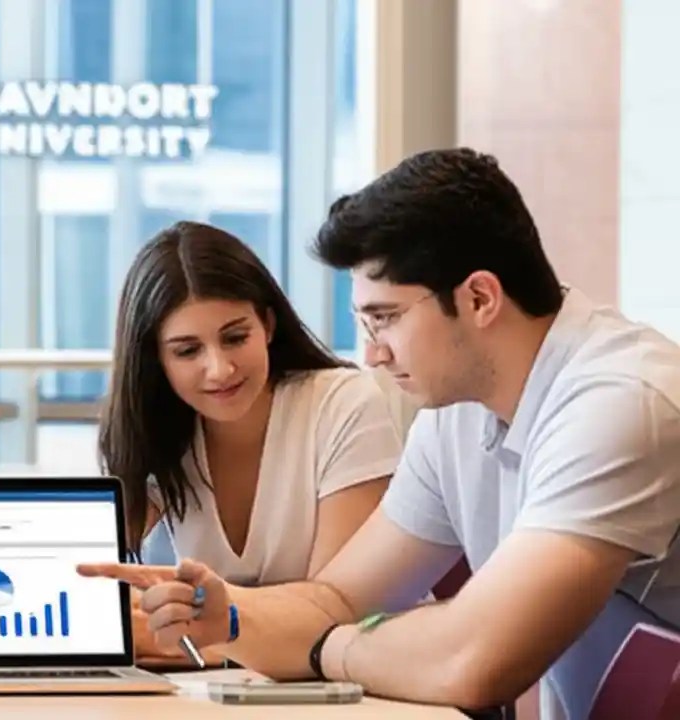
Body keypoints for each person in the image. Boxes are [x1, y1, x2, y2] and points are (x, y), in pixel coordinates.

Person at [80, 148, 680, 720]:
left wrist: (327, 649)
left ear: (479, 298)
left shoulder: (619, 404)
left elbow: (475, 660)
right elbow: (336, 599)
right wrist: (226, 613)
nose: (370, 353)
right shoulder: (455, 412)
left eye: (385, 318)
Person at [99, 221, 403, 660]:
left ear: (268, 325)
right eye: (187, 351)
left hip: (358, 682)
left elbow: (337, 615)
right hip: (222, 689)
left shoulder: (343, 404)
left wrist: (190, 639)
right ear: (156, 360)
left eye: (236, 337)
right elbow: (115, 612)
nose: (220, 369)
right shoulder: (150, 435)